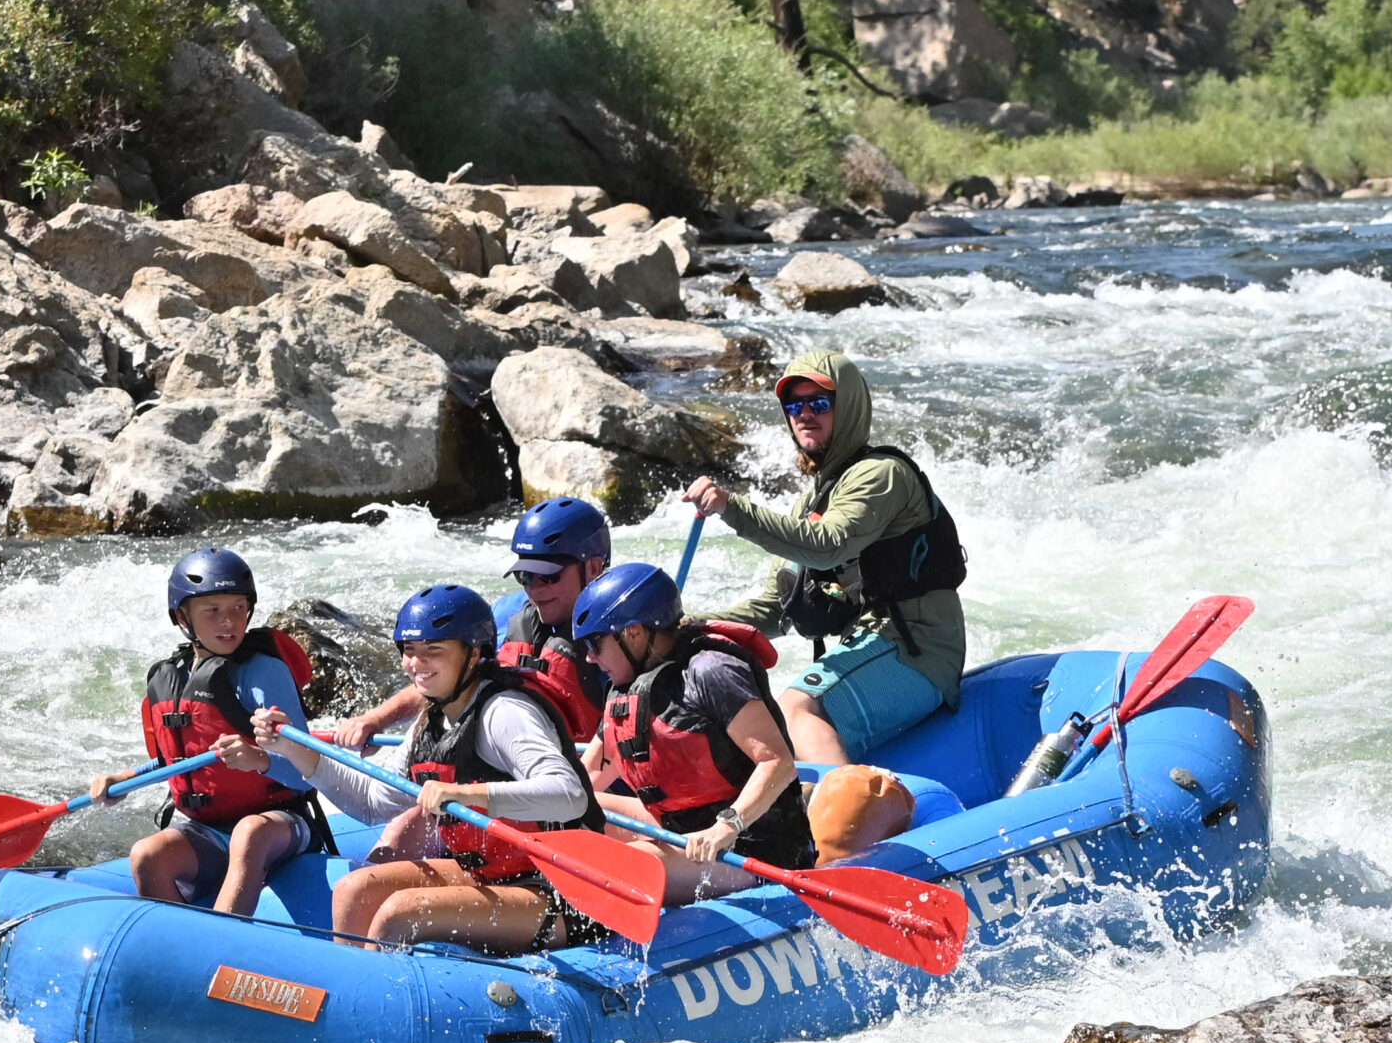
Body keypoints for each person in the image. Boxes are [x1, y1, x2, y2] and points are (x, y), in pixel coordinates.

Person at [255, 583, 605, 953]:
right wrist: (293, 750)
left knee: (400, 912)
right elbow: (373, 801)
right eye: (409, 651)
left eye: (433, 651)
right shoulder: (433, 719)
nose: (415, 664)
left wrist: (467, 795)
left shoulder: (505, 713)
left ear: (473, 656)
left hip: (559, 890)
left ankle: (365, 1002)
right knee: (355, 889)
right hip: (491, 873)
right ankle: (349, 990)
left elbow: (570, 795)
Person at [682, 349, 966, 766]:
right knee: (757, 730)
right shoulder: (811, 503)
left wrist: (733, 509)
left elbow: (830, 543)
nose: (804, 414)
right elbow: (777, 606)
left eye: (819, 403)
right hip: (871, 647)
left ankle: (843, 827)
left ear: (847, 407)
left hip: (919, 651)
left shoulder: (881, 474)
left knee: (798, 709)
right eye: (794, 405)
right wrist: (690, 627)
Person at [92, 548, 327, 914]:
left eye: (237, 608)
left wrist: (260, 760)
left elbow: (309, 772)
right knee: (147, 855)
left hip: (282, 823)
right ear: (182, 616)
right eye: (212, 610)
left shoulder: (264, 672)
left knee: (250, 833)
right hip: (212, 830)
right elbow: (176, 760)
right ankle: (182, 951)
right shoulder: (169, 678)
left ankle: (224, 939)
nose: (229, 622)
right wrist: (125, 778)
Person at [570, 562, 814, 906]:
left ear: (634, 633)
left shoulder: (712, 671)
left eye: (595, 644)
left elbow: (778, 761)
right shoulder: (627, 689)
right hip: (681, 832)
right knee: (573, 811)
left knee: (627, 864)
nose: (591, 658)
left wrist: (727, 825)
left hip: (751, 848)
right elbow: (588, 777)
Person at [324, 498, 614, 748]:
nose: (534, 588)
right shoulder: (507, 613)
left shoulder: (623, 635)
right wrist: (376, 720)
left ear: (594, 567)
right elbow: (451, 677)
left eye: (549, 576)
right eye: (525, 576)